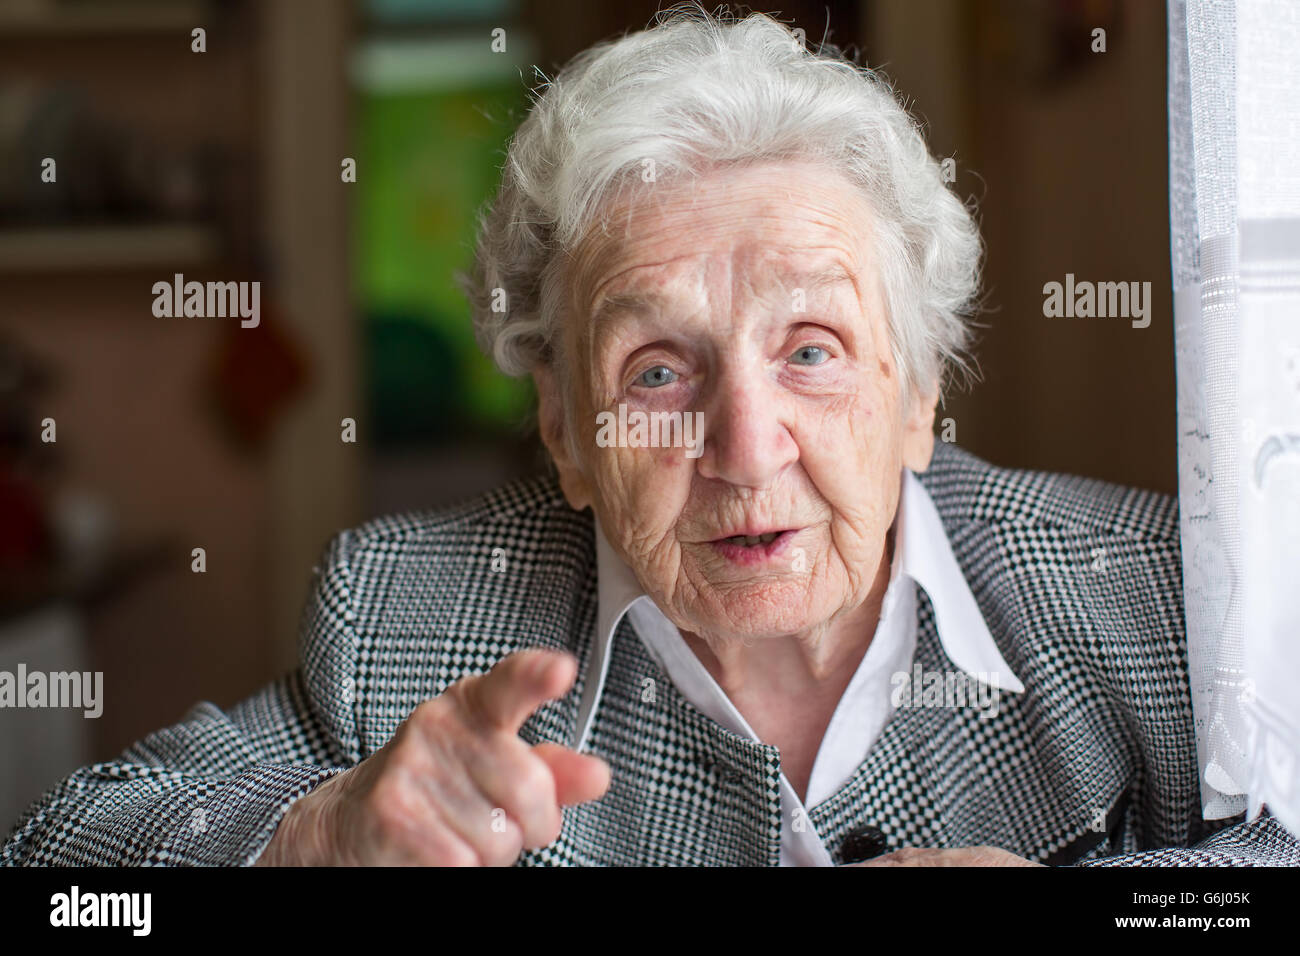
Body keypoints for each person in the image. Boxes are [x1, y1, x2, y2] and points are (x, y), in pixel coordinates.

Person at [5, 6, 1296, 867]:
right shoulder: (413, 616)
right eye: (660, 368)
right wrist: (317, 840)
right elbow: (62, 857)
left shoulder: (1158, 596)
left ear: (919, 394)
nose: (746, 445)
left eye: (811, 351)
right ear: (563, 427)